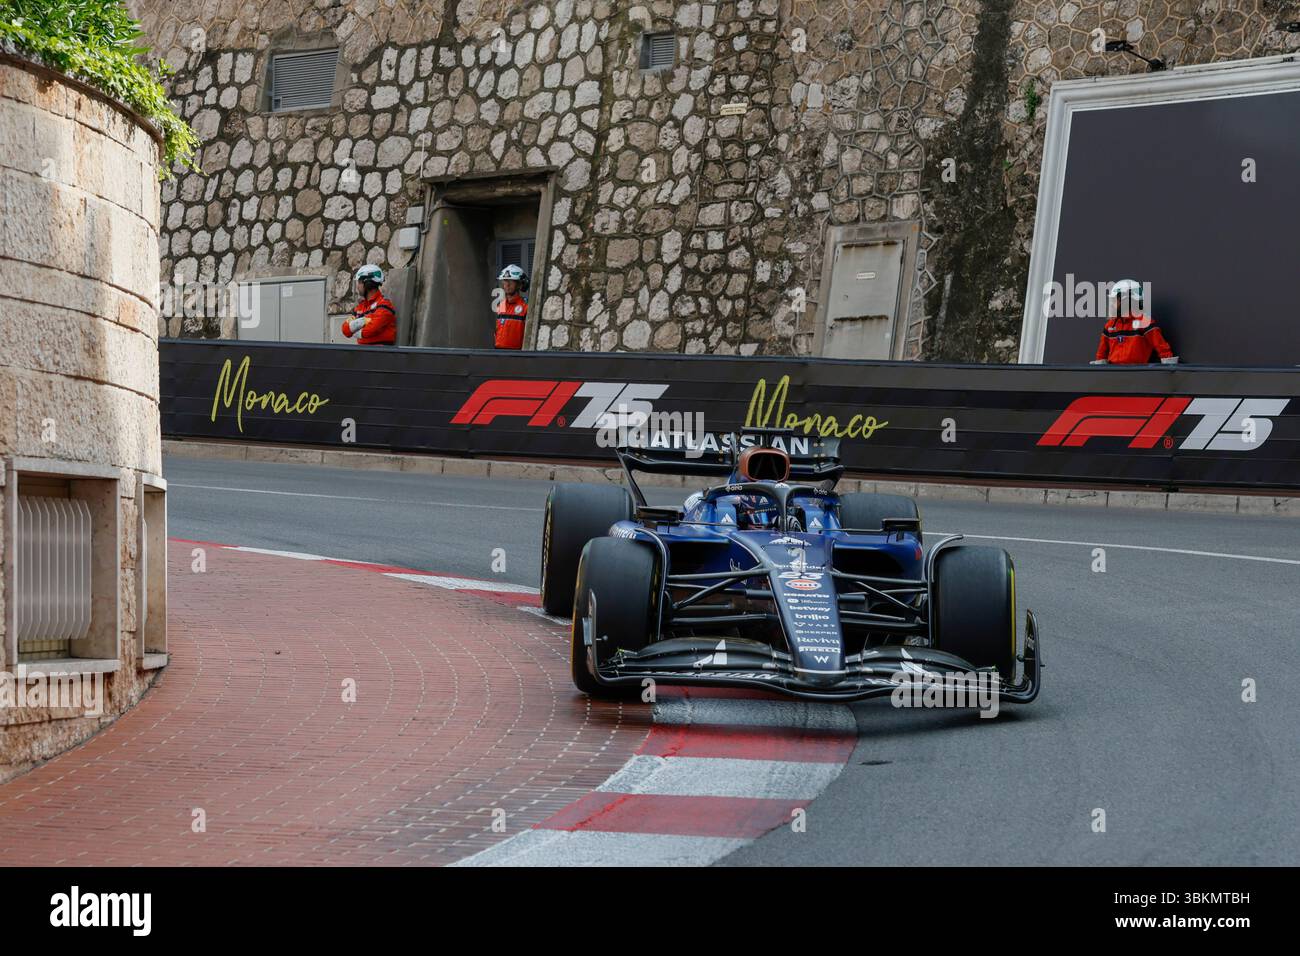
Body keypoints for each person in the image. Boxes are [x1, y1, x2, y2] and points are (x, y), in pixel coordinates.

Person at [1092, 279, 1177, 365]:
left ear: (1126, 300)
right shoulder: (1110, 325)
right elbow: (1101, 355)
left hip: (1136, 375)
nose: (1112, 304)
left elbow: (1162, 348)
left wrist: (1169, 365)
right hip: (1113, 375)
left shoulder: (1144, 322)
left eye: (1115, 300)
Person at [341, 264, 397, 346]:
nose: (357, 286)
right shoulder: (360, 307)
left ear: (368, 283)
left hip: (381, 354)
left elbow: (371, 330)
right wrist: (365, 321)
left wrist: (355, 327)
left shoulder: (384, 305)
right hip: (363, 353)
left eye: (359, 282)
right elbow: (345, 330)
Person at [493, 264, 529, 350]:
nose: (507, 284)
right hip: (498, 353)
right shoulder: (501, 305)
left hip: (517, 355)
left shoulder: (526, 305)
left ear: (520, 284)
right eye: (505, 280)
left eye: (511, 281)